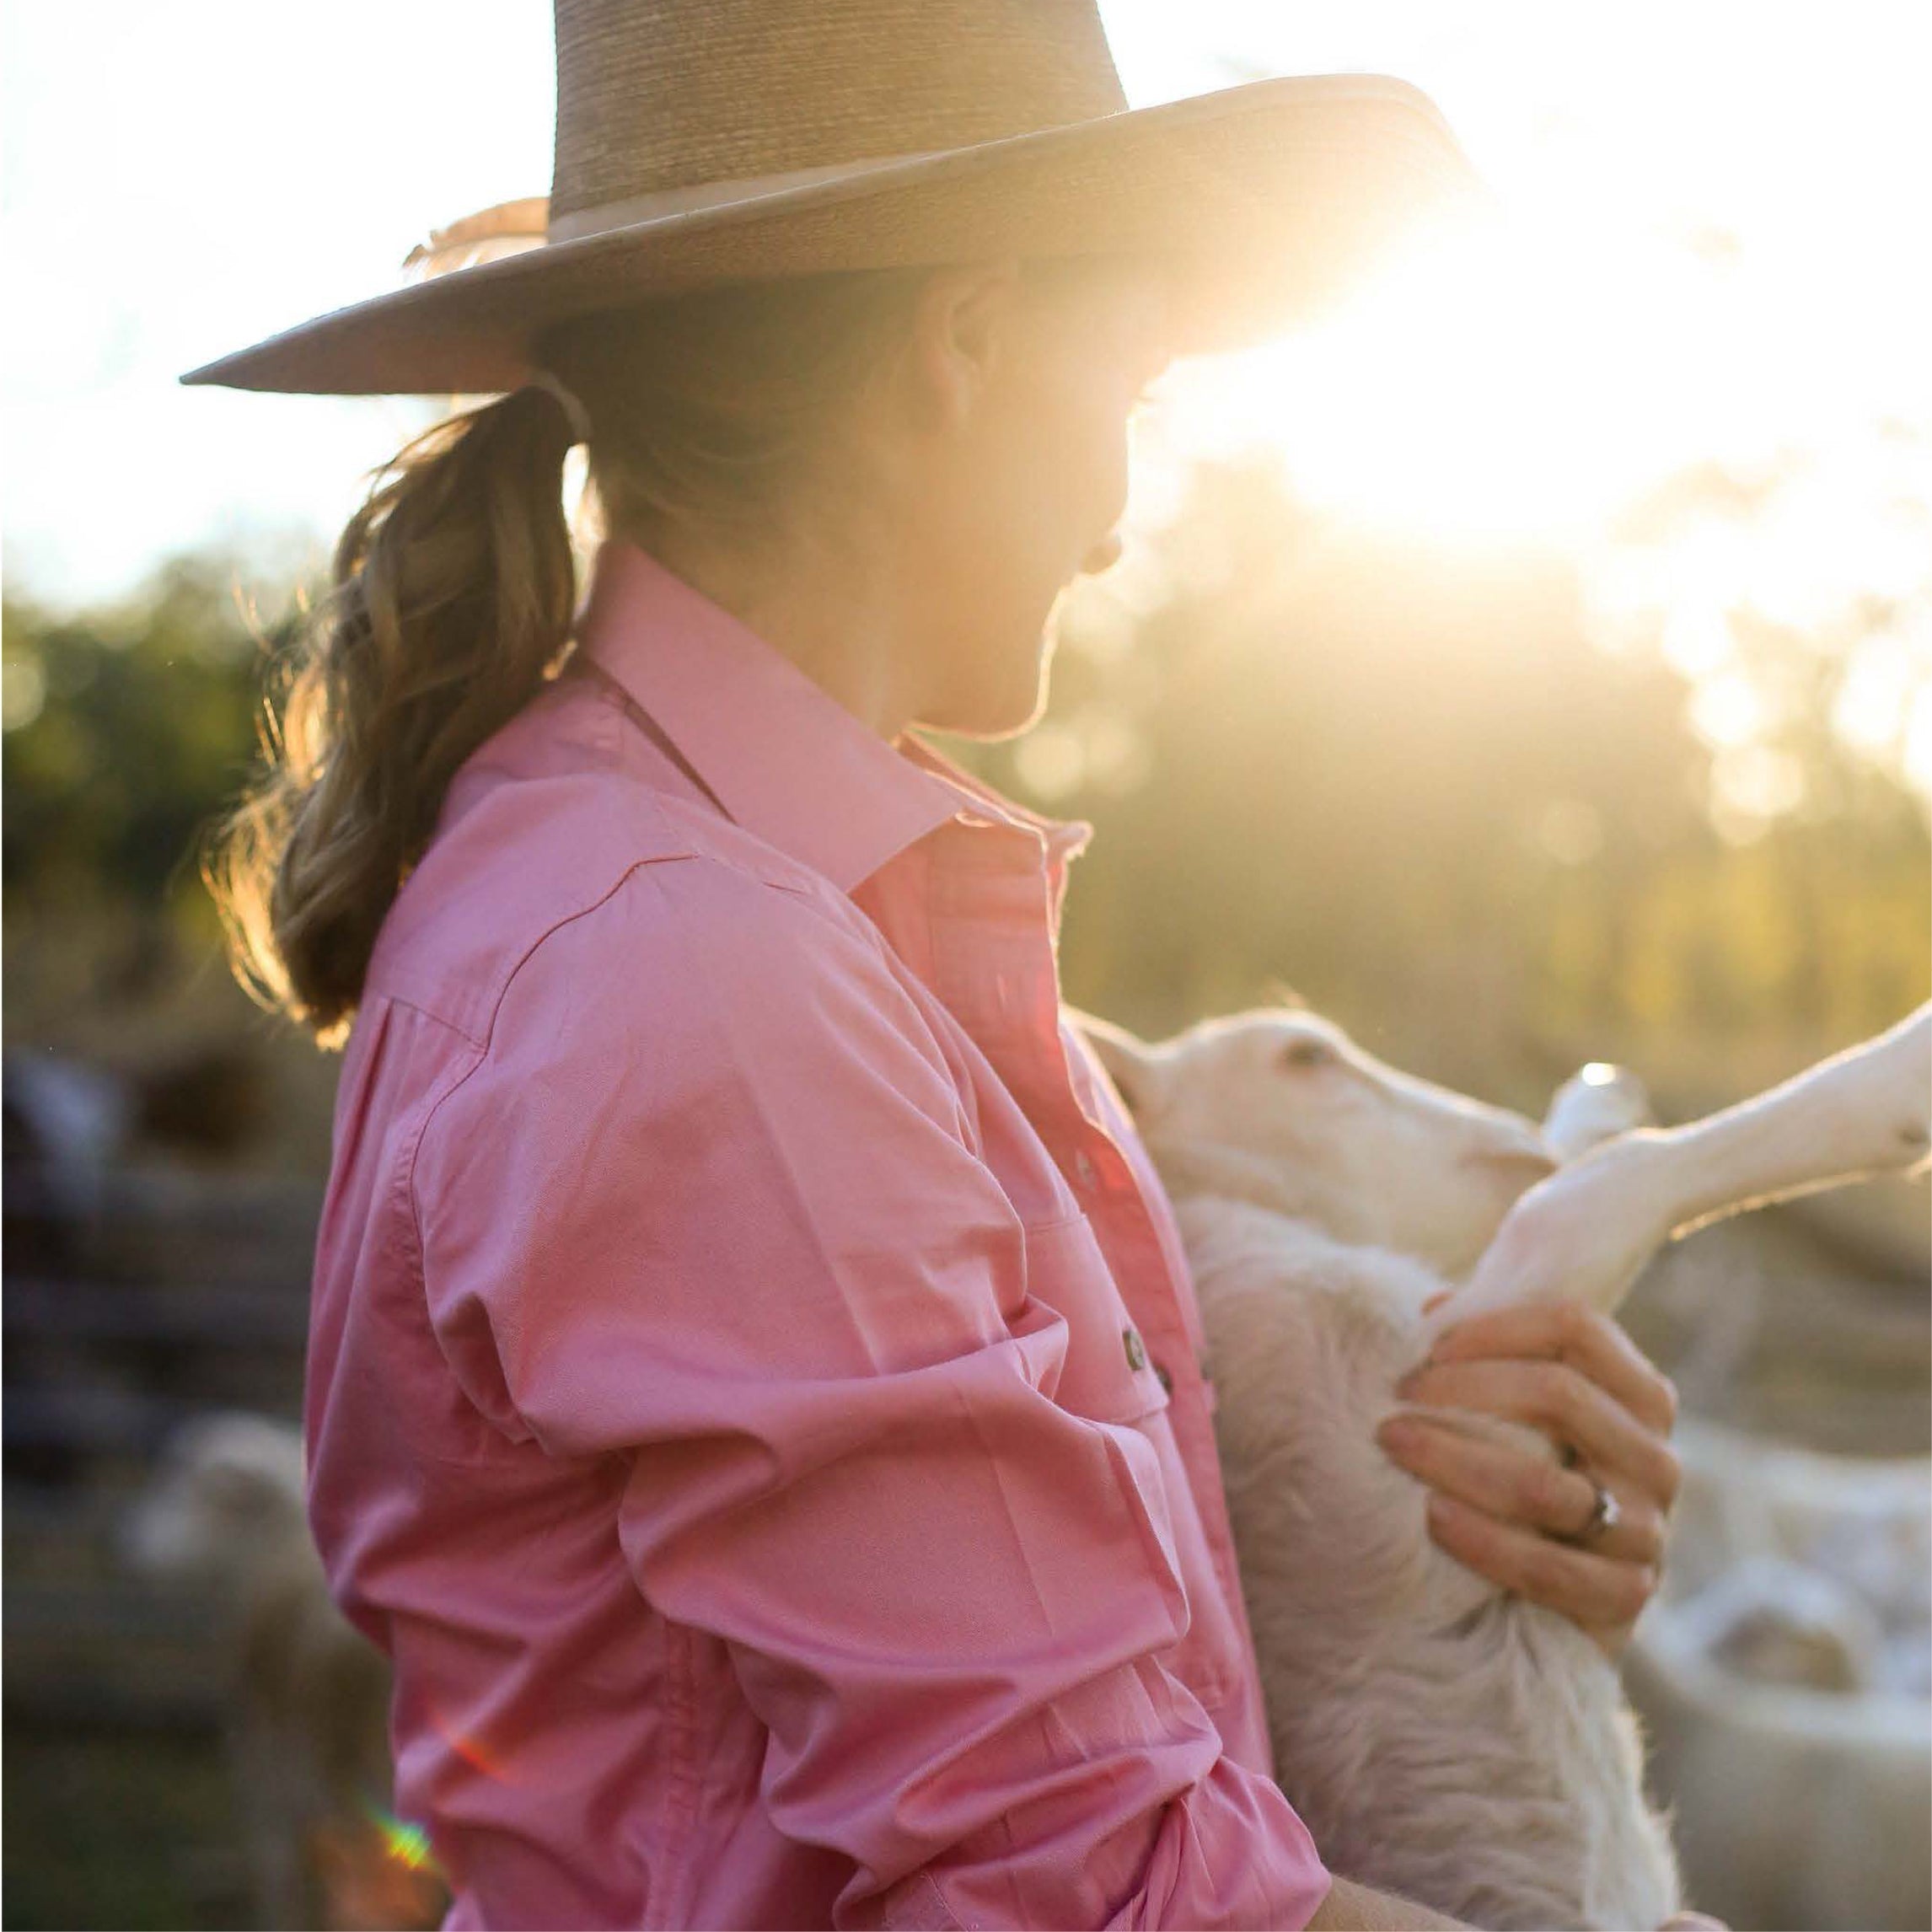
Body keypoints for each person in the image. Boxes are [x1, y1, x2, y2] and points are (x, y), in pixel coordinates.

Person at [193, 3, 1691, 1925]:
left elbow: (1036, 1610)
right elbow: (1096, 1884)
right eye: (1132, 394)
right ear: (970, 337)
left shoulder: (763, 918)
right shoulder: (697, 970)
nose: (1120, 512)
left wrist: (1488, 1499)